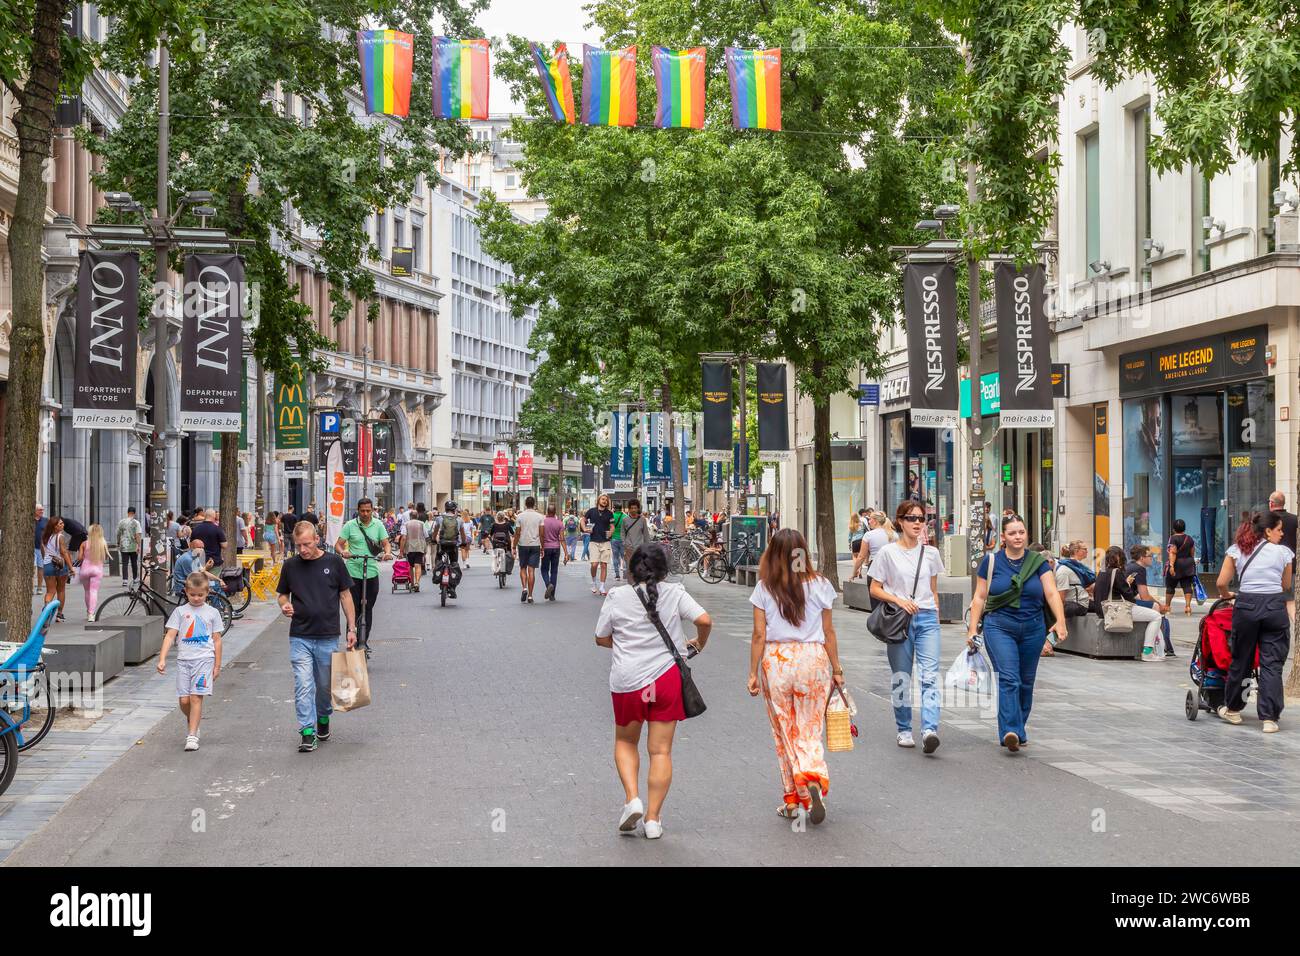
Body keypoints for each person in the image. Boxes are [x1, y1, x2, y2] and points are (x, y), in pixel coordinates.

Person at [596, 543, 711, 840]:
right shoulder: (675, 593)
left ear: (633, 569)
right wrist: (698, 643)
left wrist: (623, 644)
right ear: (664, 569)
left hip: (628, 681)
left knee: (625, 741)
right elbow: (704, 620)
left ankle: (632, 799)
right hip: (666, 679)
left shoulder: (617, 596)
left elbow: (601, 637)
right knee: (660, 750)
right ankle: (653, 820)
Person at [747, 528, 844, 822]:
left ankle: (793, 800)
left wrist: (752, 673)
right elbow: (828, 632)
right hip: (813, 659)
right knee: (809, 728)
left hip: (777, 662)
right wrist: (837, 669)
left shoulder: (764, 588)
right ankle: (812, 778)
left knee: (784, 732)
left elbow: (759, 634)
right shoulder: (821, 585)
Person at [967, 515, 1068, 751]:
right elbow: (980, 597)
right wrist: (972, 629)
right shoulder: (991, 562)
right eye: (1012, 533)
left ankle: (1019, 727)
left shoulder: (1038, 562)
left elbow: (1052, 593)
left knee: (1026, 682)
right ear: (1003, 537)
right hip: (999, 626)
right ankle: (1010, 730)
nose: (1018, 537)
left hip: (1033, 628)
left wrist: (1060, 621)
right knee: (1009, 678)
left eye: (1021, 532)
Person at [869, 501, 947, 753]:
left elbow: (933, 590)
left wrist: (936, 615)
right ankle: (904, 728)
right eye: (912, 518)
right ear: (900, 521)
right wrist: (899, 600)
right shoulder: (887, 553)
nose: (917, 523)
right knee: (902, 677)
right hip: (899, 621)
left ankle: (929, 729)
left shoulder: (931, 553)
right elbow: (874, 588)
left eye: (921, 519)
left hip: (927, 620)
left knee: (930, 676)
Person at [277, 522, 358, 752]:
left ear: (317, 539)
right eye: (298, 545)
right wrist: (284, 606)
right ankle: (307, 731)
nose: (302, 549)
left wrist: (351, 628)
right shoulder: (290, 566)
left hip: (327, 635)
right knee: (303, 684)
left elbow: (345, 596)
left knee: (324, 686)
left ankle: (323, 716)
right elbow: (282, 595)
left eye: (307, 544)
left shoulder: (333, 562)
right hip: (300, 635)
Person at [1215, 512, 1294, 732]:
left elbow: (1222, 582)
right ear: (1268, 531)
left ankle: (1233, 709)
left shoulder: (1237, 550)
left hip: (1246, 606)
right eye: (1279, 529)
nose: (1282, 533)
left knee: (1241, 659)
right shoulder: (1284, 553)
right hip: (1274, 607)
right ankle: (1269, 718)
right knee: (1272, 663)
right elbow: (1285, 585)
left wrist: (1227, 595)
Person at [157, 570, 225, 752]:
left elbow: (217, 640)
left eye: (200, 595)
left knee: (196, 698)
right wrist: (162, 658)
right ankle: (193, 720)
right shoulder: (180, 612)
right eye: (193, 594)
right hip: (184, 660)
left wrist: (217, 665)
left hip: (204, 660)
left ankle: (192, 734)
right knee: (184, 700)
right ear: (186, 592)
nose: (196, 598)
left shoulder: (212, 612)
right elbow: (170, 635)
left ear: (207, 593)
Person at [335, 497, 390, 655]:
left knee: (368, 608)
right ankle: (352, 641)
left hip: (371, 571)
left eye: (368, 510)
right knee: (354, 609)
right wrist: (343, 552)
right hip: (353, 572)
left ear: (372, 510)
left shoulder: (378, 525)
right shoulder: (350, 525)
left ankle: (363, 641)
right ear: (357, 511)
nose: (365, 513)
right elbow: (338, 544)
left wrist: (386, 553)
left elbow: (385, 543)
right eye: (362, 511)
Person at [1094, 546, 1165, 661]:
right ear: (1119, 558)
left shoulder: (1102, 571)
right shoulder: (1117, 572)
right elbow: (1129, 597)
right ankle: (1148, 652)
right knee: (1156, 616)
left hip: (1102, 609)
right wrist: (1127, 584)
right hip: (1116, 609)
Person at [1126, 545, 1174, 657]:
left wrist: (1157, 603)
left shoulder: (1131, 566)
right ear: (1142, 558)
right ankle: (1154, 649)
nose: (1152, 558)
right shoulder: (1139, 569)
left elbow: (1136, 594)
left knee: (1156, 607)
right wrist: (1160, 605)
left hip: (1125, 601)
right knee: (1157, 611)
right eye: (1150, 556)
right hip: (1127, 604)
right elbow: (1145, 597)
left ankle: (1162, 647)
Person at [512, 496, 545, 603]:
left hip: (522, 545)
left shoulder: (520, 516)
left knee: (522, 567)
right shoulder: (540, 517)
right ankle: (530, 596)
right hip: (535, 545)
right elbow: (541, 534)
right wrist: (542, 547)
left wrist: (513, 546)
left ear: (525, 504)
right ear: (534, 504)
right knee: (531, 570)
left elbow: (517, 532)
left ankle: (524, 588)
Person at [40, 516, 72, 623]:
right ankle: (60, 614)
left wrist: (47, 560)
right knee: (61, 590)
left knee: (50, 591)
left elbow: (43, 552)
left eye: (62, 523)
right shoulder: (60, 537)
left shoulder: (45, 537)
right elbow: (63, 552)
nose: (62, 525)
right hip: (60, 565)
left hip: (47, 565)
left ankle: (46, 612)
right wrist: (71, 567)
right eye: (60, 524)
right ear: (54, 526)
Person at [1165, 518, 1199, 615]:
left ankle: (1167, 606)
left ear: (1174, 529)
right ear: (1184, 528)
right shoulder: (1189, 538)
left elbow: (1173, 552)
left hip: (1176, 564)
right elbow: (1192, 552)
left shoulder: (1173, 538)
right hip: (1188, 563)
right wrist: (1190, 562)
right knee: (1187, 585)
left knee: (1171, 585)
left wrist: (1171, 566)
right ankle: (1188, 607)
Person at [584, 494, 615, 596]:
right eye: (603, 499)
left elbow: (612, 526)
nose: (604, 501)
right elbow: (582, 520)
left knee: (604, 565)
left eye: (606, 500)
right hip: (594, 541)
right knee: (594, 564)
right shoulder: (591, 511)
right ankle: (593, 583)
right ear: (598, 500)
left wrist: (611, 532)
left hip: (605, 541)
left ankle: (602, 587)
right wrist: (584, 528)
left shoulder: (610, 513)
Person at [77, 524, 109, 620]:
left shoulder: (84, 543)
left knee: (87, 591)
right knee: (93, 591)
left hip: (85, 569)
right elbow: (106, 557)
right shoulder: (103, 543)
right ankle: (91, 614)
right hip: (97, 570)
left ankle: (88, 611)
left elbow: (79, 558)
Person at [539, 503, 569, 601]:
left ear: (547, 512)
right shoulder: (559, 523)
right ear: (555, 512)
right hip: (556, 548)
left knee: (544, 569)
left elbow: (541, 536)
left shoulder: (543, 522)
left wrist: (541, 548)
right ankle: (552, 595)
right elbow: (562, 539)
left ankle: (548, 585)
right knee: (554, 571)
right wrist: (566, 553)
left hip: (546, 548)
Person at [398, 507, 428, 592]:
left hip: (409, 547)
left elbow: (403, 537)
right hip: (419, 546)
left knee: (410, 566)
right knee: (418, 565)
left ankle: (412, 583)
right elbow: (426, 536)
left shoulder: (406, 524)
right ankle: (417, 583)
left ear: (410, 516)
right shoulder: (422, 523)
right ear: (417, 516)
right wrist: (425, 549)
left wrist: (401, 551)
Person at [116, 506, 143, 587]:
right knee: (134, 563)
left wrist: (118, 542)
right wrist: (139, 545)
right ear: (134, 513)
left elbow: (118, 534)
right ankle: (135, 579)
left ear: (128, 512)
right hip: (133, 546)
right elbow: (137, 535)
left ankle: (125, 580)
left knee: (124, 563)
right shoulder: (136, 523)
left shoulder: (121, 522)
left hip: (124, 545)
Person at [622, 499, 651, 568]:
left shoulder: (643, 520)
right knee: (630, 566)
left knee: (639, 566)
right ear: (629, 509)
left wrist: (647, 546)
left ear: (638, 508)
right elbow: (622, 533)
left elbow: (646, 534)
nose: (633, 510)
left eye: (635, 508)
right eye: (631, 508)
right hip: (629, 547)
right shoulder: (625, 520)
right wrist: (625, 543)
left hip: (639, 547)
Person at [610, 501, 626, 582]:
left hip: (614, 539)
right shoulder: (625, 516)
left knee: (615, 557)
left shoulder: (612, 516)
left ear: (614, 508)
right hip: (623, 539)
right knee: (624, 557)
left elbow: (610, 527)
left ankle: (617, 575)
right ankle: (625, 574)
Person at [847, 510, 866, 577]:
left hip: (854, 542)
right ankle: (859, 571)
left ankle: (856, 570)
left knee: (854, 557)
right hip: (862, 541)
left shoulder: (851, 525)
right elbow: (864, 532)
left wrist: (849, 543)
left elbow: (850, 536)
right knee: (860, 558)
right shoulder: (862, 524)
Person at [34, 503, 47, 594]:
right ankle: (30, 588)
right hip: (31, 548)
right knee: (32, 568)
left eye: (42, 510)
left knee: (40, 567)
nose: (42, 511)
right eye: (40, 510)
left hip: (41, 548)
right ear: (35, 511)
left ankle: (39, 588)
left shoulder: (46, 520)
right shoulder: (29, 520)